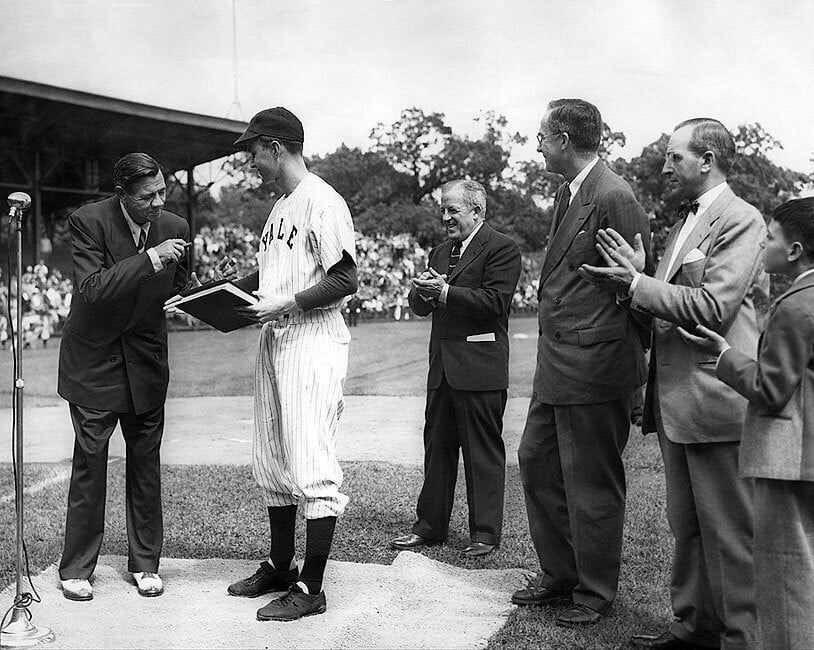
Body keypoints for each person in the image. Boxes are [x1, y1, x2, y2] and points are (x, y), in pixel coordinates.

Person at [579, 118, 767, 649]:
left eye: (674, 156)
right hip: (680, 404)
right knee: (687, 526)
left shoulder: (741, 219)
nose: (665, 167)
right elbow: (665, 308)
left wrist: (640, 283)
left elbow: (714, 306)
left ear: (708, 159)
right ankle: (693, 627)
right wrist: (634, 283)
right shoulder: (687, 222)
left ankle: (743, 638)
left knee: (731, 535)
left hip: (716, 400)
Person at [513, 98, 652, 626]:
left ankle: (594, 592)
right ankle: (561, 573)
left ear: (564, 140)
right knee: (536, 461)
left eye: (542, 137)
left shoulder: (614, 195)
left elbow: (639, 285)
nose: (538, 146)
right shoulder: (569, 192)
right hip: (559, 364)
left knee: (592, 483)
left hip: (595, 366)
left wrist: (632, 373)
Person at [219, 107, 358, 621]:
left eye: (254, 152)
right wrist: (221, 293)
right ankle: (281, 566)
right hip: (276, 337)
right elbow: (272, 282)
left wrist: (287, 303)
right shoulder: (279, 207)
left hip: (312, 338)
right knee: (273, 458)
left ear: (276, 148)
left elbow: (345, 280)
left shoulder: (323, 201)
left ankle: (311, 588)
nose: (251, 162)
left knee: (312, 463)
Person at [679, 196, 814, 650]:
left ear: (794, 250)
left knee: (789, 577)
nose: (762, 244)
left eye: (770, 238)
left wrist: (725, 356)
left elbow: (772, 389)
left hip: (789, 460)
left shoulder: (796, 305)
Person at [57, 152, 190, 601]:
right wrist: (150, 258)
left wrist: (210, 288)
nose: (159, 203)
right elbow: (92, 289)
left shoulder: (175, 227)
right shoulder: (88, 221)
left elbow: (177, 289)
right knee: (90, 465)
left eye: (162, 192)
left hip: (146, 364)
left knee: (146, 465)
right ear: (122, 195)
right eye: (147, 196)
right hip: (95, 365)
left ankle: (146, 563)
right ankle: (76, 568)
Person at [389, 180, 522, 557]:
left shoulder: (502, 247)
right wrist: (421, 291)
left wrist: (445, 292)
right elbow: (420, 306)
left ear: (477, 211)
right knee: (437, 450)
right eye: (442, 210)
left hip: (480, 369)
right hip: (443, 370)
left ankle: (485, 534)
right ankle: (430, 526)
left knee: (482, 453)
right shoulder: (439, 251)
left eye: (453, 210)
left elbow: (494, 302)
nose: (445, 217)